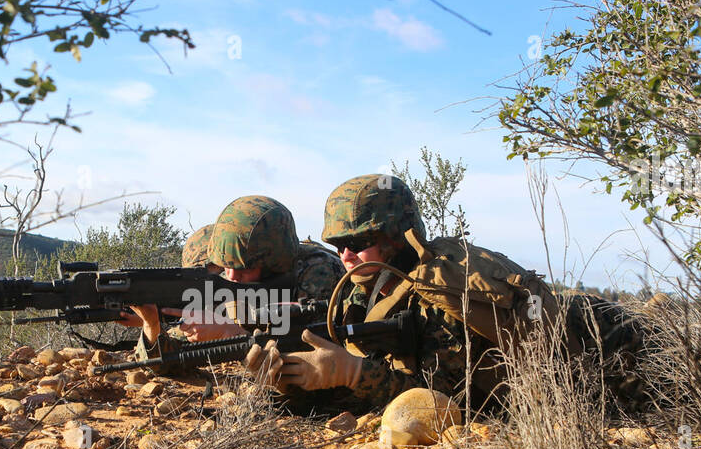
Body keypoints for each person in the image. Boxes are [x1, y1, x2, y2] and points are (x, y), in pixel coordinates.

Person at [244, 174, 651, 413]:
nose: (346, 255)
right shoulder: (365, 289)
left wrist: (349, 372)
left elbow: (446, 402)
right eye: (339, 245)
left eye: (358, 241)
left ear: (395, 239)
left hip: (615, 348)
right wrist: (295, 380)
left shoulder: (441, 295)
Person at [127, 195, 346, 370]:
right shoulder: (224, 284)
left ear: (275, 263)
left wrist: (231, 335)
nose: (231, 276)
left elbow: (313, 356)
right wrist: (152, 325)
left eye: (245, 268)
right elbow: (166, 361)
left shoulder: (318, 270)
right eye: (225, 265)